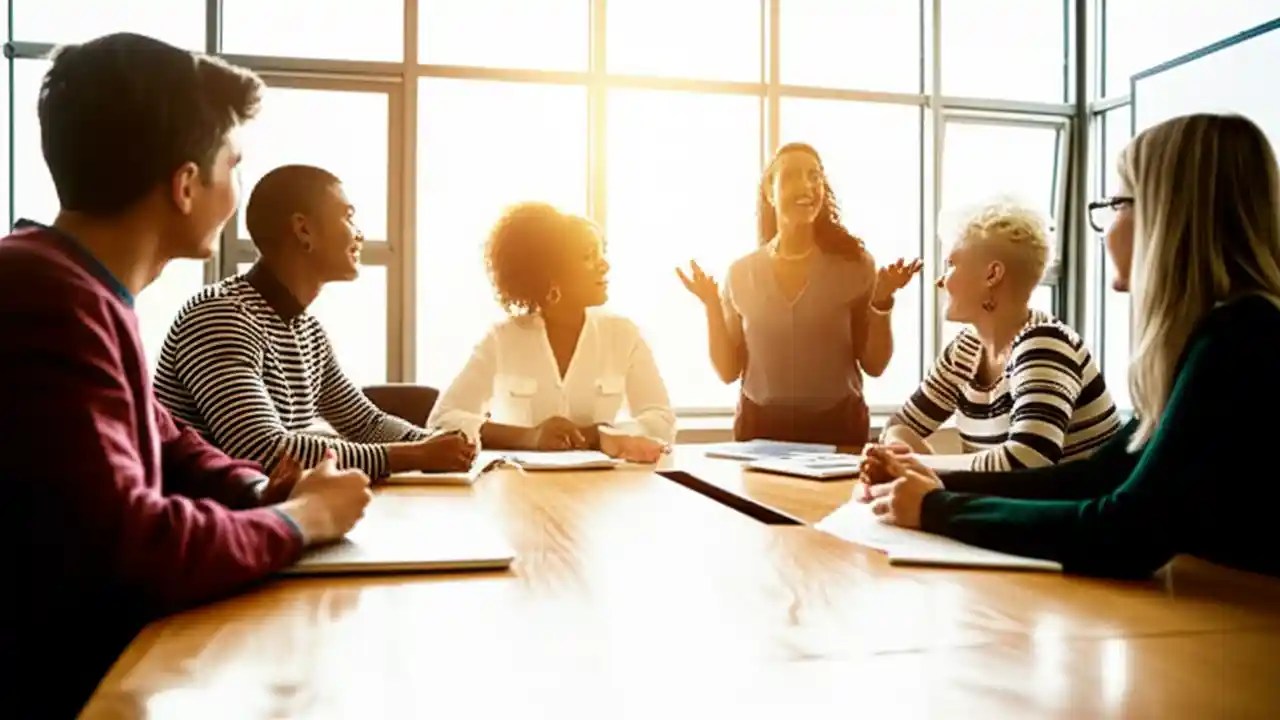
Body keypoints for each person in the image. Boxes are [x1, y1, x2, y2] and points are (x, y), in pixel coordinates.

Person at [0, 34, 373, 716]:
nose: (237, 190)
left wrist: (262, 489)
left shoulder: (72, 283)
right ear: (184, 184)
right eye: (232, 165)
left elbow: (165, 438)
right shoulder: (44, 297)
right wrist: (301, 521)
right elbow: (134, 549)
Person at [860, 113, 1280, 579]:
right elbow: (1096, 476)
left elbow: (1125, 530)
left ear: (1168, 215)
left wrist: (938, 507)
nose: (1107, 227)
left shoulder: (1239, 343)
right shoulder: (1215, 337)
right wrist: (934, 482)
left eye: (1118, 204)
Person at [155, 164, 475, 480]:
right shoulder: (220, 318)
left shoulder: (307, 331)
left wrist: (437, 444)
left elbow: (366, 424)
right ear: (304, 230)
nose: (359, 233)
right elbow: (263, 450)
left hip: (265, 513)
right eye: (348, 216)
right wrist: (416, 455)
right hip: (209, 523)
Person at [677, 142, 921, 447]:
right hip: (760, 429)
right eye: (791, 176)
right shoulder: (741, 273)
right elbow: (728, 371)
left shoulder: (855, 265)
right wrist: (711, 303)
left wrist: (883, 300)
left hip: (838, 428)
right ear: (769, 192)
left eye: (814, 176)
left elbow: (875, 365)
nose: (806, 186)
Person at [879, 197, 1122, 471]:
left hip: (1071, 510)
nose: (941, 280)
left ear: (992, 274)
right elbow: (899, 427)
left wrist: (918, 465)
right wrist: (917, 466)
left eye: (951, 264)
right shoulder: (965, 350)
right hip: (1014, 509)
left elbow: (1027, 460)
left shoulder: (1045, 345)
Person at [429, 202, 674, 462]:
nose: (605, 265)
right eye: (589, 256)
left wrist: (596, 435)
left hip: (603, 491)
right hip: (519, 491)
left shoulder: (624, 335)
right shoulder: (502, 339)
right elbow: (442, 421)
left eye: (602, 253)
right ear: (551, 271)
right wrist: (529, 438)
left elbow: (662, 423)